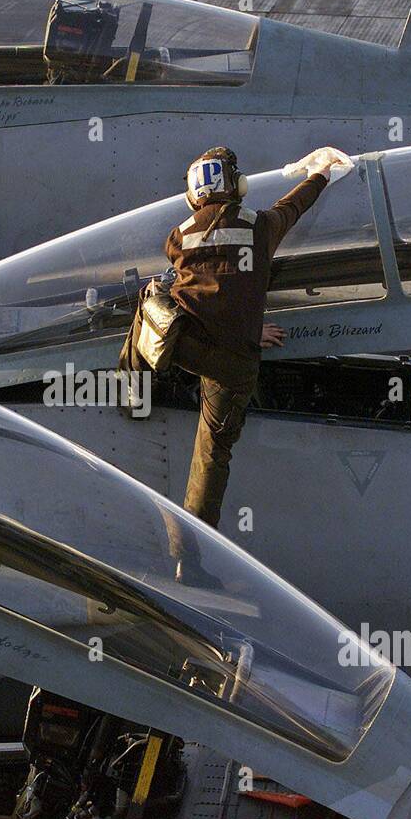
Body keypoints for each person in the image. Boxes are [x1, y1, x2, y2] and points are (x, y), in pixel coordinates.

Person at [164, 145, 350, 580]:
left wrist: (244, 325)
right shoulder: (261, 227)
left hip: (185, 347)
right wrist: (321, 174)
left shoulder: (177, 238)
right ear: (238, 188)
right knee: (212, 455)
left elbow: (205, 286)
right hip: (231, 363)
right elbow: (295, 205)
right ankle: (188, 562)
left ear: (193, 196)